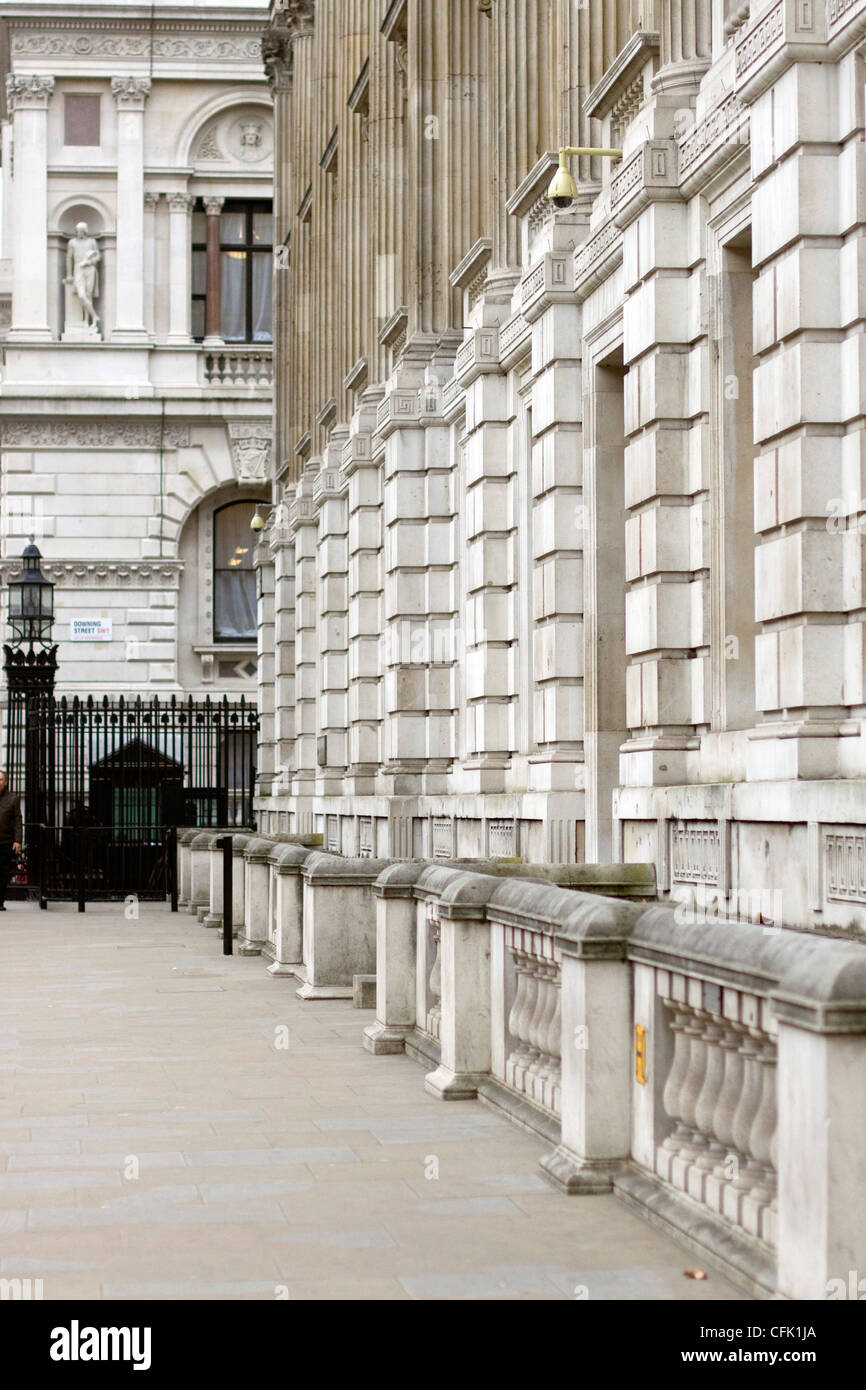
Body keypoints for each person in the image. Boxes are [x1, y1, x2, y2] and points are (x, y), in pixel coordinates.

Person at [64, 222, 101, 329]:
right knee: (81, 295)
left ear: (85, 231)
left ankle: (87, 321)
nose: (79, 233)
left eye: (81, 231)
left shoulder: (92, 242)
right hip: (78, 268)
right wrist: (69, 274)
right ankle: (94, 316)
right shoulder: (72, 242)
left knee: (88, 295)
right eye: (78, 231)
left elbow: (98, 256)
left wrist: (90, 262)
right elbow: (69, 258)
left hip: (90, 268)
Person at [0, 772, 23, 910]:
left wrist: (18, 840)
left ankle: (0, 901)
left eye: (0, 779)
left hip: (5, 842)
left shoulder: (13, 798)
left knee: (2, 873)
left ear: (6, 782)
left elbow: (17, 820)